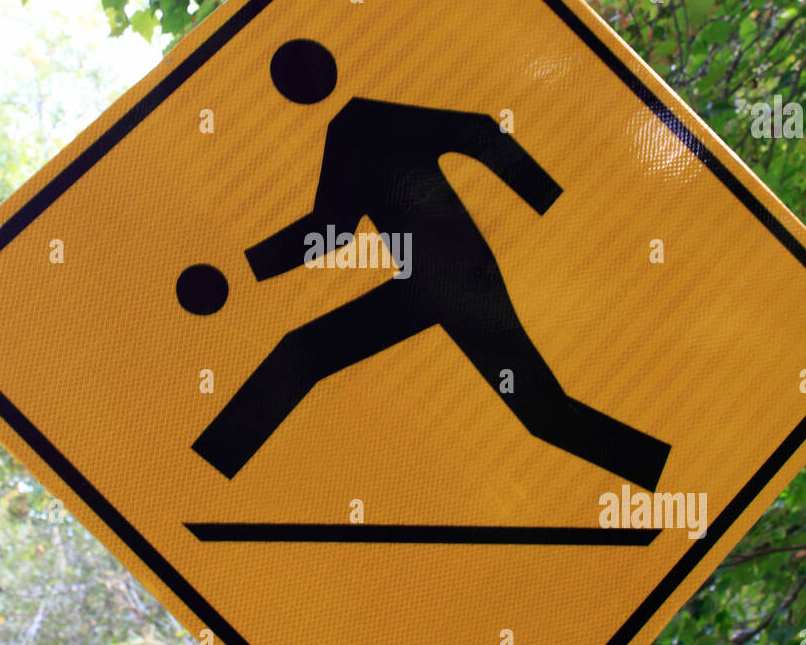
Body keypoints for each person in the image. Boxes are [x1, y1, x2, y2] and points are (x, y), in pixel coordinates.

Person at [191, 39, 670, 490]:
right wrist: (542, 197)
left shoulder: (356, 125)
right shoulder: (361, 122)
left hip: (448, 278)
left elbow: (337, 228)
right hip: (434, 280)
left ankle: (667, 473)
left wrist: (549, 201)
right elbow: (339, 227)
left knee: (542, 413)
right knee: (541, 412)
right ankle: (204, 472)